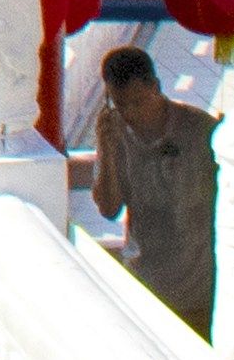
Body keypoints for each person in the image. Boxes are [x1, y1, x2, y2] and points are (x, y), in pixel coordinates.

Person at [89, 43, 219, 334]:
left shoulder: (199, 129)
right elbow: (109, 209)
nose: (131, 113)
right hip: (144, 282)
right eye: (121, 105)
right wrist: (108, 150)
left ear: (156, 88)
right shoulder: (115, 133)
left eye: (138, 102)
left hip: (199, 286)